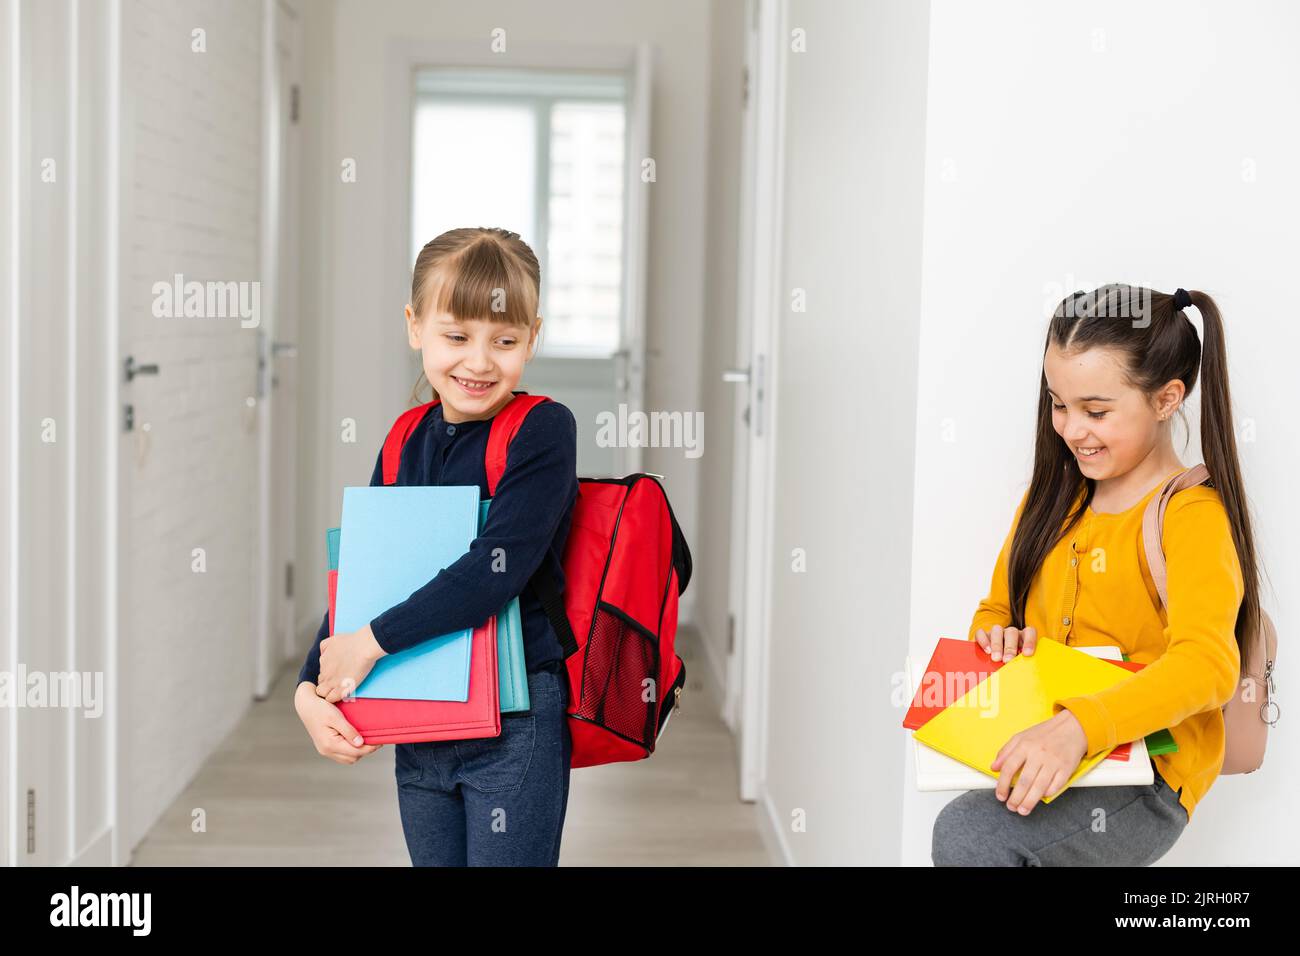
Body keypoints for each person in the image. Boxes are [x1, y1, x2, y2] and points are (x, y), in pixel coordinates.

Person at [932, 284, 1265, 866]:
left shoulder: (1191, 517)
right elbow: (996, 610)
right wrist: (998, 636)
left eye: (1097, 411)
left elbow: (1209, 666)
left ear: (1166, 399)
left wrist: (1081, 728)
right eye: (1059, 404)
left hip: (1146, 774)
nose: (1070, 429)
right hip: (1054, 744)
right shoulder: (1052, 497)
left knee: (969, 836)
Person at [294, 227, 579, 866]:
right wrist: (309, 687)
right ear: (414, 325)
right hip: (420, 717)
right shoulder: (402, 439)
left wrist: (368, 644)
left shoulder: (543, 429)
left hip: (516, 721)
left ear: (532, 337)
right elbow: (363, 579)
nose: (479, 362)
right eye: (457, 336)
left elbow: (492, 571)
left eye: (504, 341)